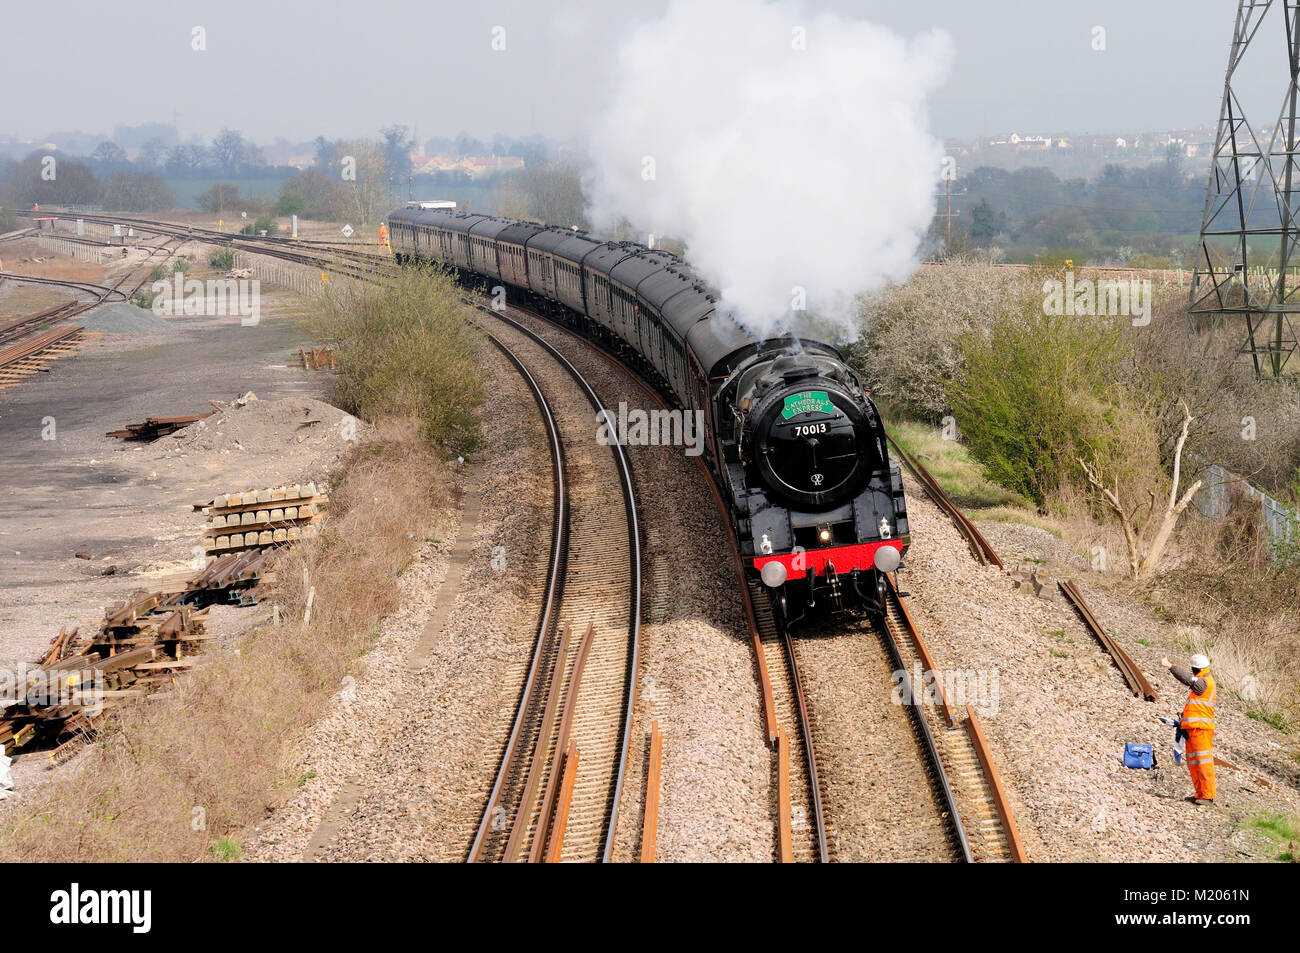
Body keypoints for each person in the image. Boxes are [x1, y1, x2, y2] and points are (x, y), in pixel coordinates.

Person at [1160, 652, 1215, 806]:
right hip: (1193, 729)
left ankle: (1208, 796)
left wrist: (1170, 666)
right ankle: (1200, 794)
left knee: (1203, 763)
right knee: (1194, 763)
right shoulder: (1204, 680)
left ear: (1195, 668)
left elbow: (1188, 679)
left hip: (1201, 730)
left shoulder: (1204, 682)